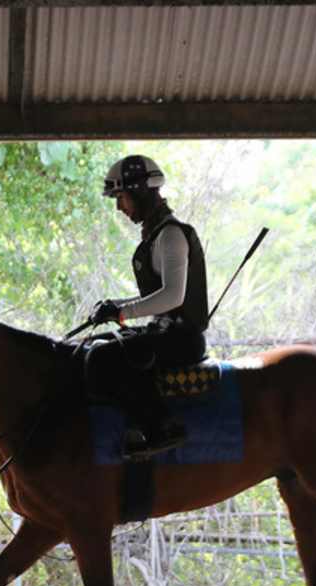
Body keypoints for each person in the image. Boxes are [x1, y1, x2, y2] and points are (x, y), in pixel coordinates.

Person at [86, 155, 209, 460]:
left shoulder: (171, 235)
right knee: (91, 347)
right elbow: (157, 299)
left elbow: (173, 297)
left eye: (121, 197)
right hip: (165, 333)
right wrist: (115, 305)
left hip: (182, 340)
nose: (119, 207)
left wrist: (122, 312)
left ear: (140, 191)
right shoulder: (157, 235)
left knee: (102, 358)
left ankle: (160, 428)